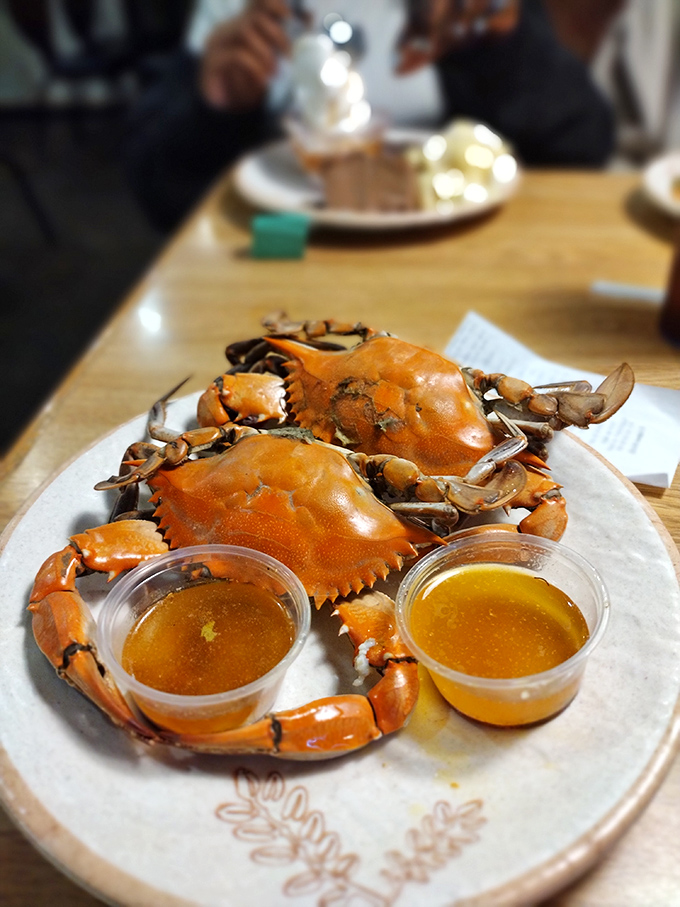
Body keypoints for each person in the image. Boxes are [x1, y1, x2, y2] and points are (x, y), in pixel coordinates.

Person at [124, 0, 616, 232]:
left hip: (445, 246)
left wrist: (501, 49)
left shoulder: (467, 10)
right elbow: (162, 197)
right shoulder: (238, 13)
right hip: (285, 252)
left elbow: (584, 144)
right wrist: (212, 109)